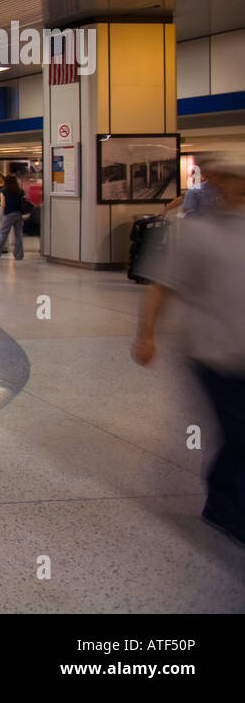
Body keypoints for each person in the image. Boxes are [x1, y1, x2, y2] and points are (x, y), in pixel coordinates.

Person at [133, 155, 245, 546]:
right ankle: (228, 505)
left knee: (239, 435)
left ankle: (224, 498)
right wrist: (146, 334)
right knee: (240, 433)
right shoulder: (198, 234)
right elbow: (162, 284)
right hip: (214, 352)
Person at [0, 173, 26, 260]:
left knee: (3, 234)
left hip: (8, 214)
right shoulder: (20, 191)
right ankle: (19, 255)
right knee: (18, 235)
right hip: (19, 214)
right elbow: (23, 201)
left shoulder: (4, 191)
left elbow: (2, 204)